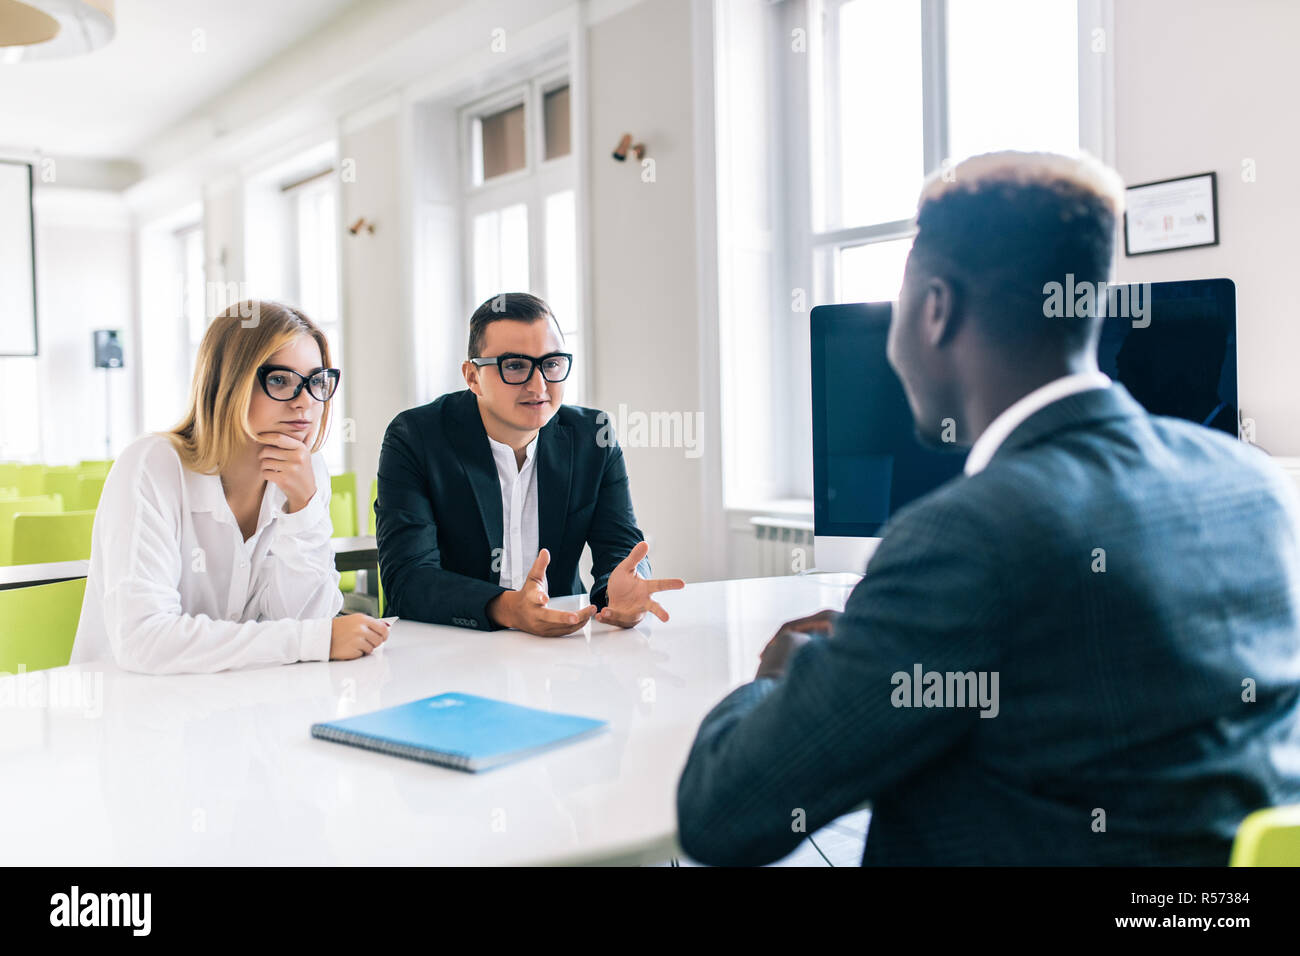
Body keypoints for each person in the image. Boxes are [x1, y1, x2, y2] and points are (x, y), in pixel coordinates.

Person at [676, 151, 1300, 865]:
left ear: (935, 309)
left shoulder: (966, 538)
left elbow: (721, 815)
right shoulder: (1251, 487)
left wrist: (782, 678)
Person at [71, 300, 389, 673]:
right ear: (228, 383)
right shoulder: (152, 466)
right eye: (279, 380)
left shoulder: (306, 473)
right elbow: (145, 640)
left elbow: (306, 619)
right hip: (136, 711)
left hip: (240, 706)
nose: (305, 402)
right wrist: (313, 639)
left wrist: (304, 507)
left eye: (317, 381)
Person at [376, 292, 683, 636]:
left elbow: (620, 549)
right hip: (442, 642)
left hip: (559, 642)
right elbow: (408, 579)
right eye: (515, 366)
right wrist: (507, 608)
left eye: (551, 364)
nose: (538, 385)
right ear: (472, 377)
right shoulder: (416, 436)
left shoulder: (592, 436)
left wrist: (620, 593)